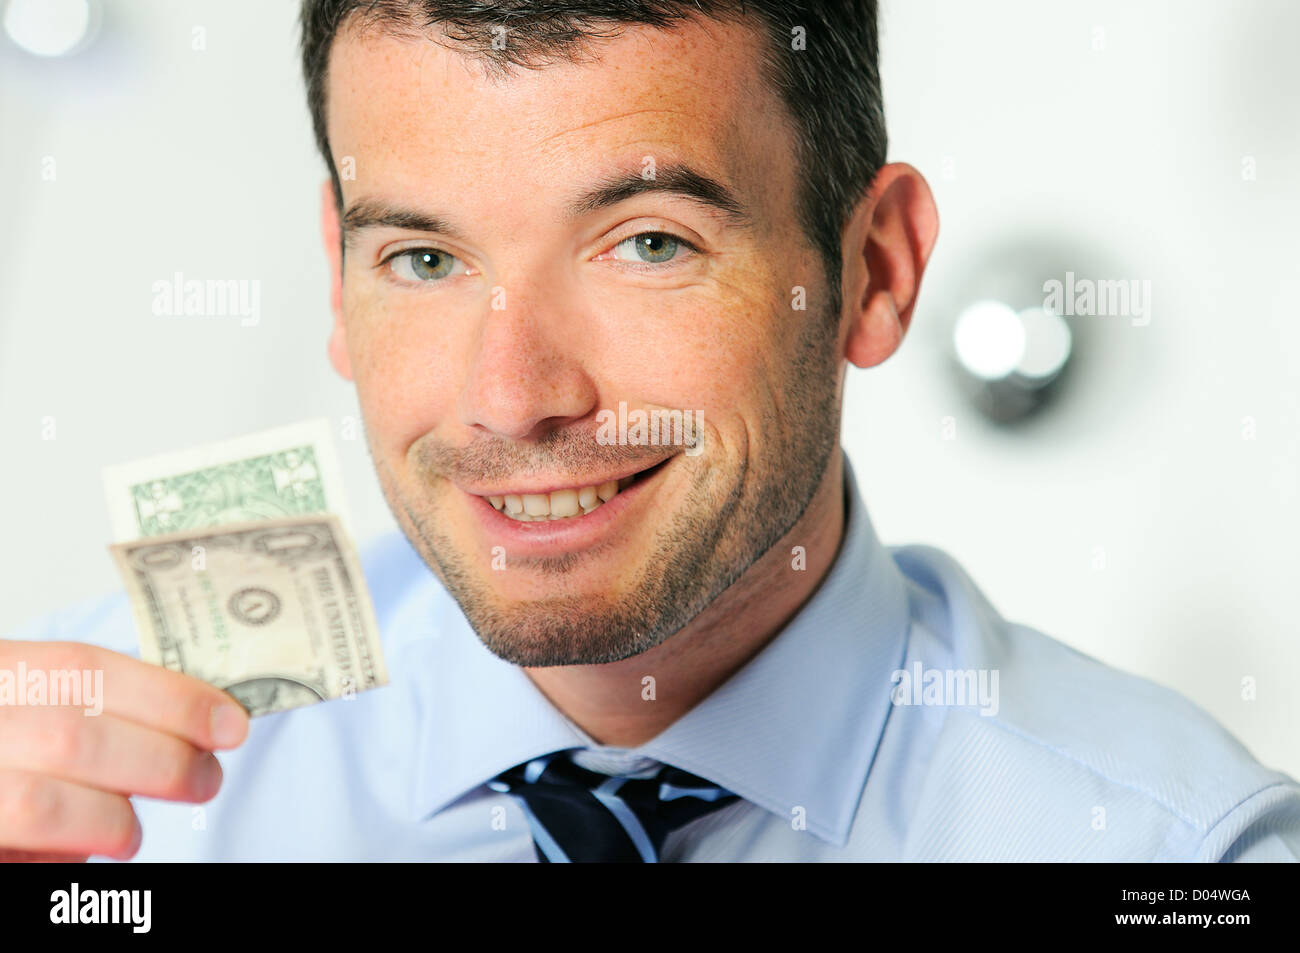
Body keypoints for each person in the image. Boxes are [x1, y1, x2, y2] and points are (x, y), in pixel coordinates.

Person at [2, 0, 1296, 863]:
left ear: (877, 268)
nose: (513, 396)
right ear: (336, 284)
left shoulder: (1175, 853)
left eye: (648, 244)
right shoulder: (82, 765)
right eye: (422, 257)